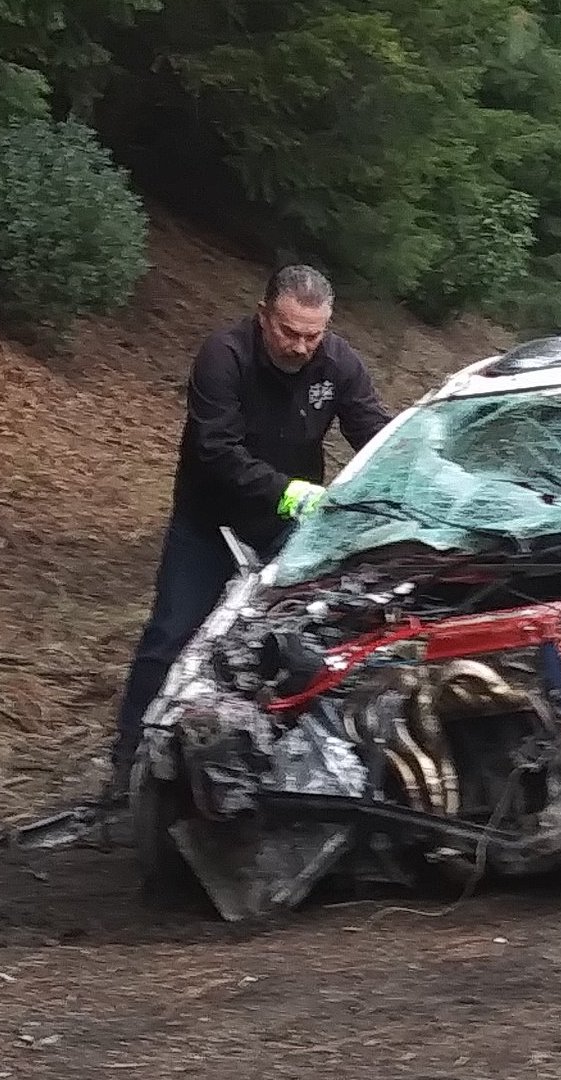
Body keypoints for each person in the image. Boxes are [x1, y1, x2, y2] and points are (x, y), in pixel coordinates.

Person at [107, 265, 393, 794]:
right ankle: (128, 763)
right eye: (290, 331)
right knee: (172, 632)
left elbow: (372, 432)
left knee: (300, 640)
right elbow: (214, 449)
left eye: (314, 334)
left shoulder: (338, 363)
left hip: (289, 526)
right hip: (210, 519)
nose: (302, 346)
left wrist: (401, 478)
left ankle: (275, 760)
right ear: (264, 317)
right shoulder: (224, 356)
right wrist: (287, 489)